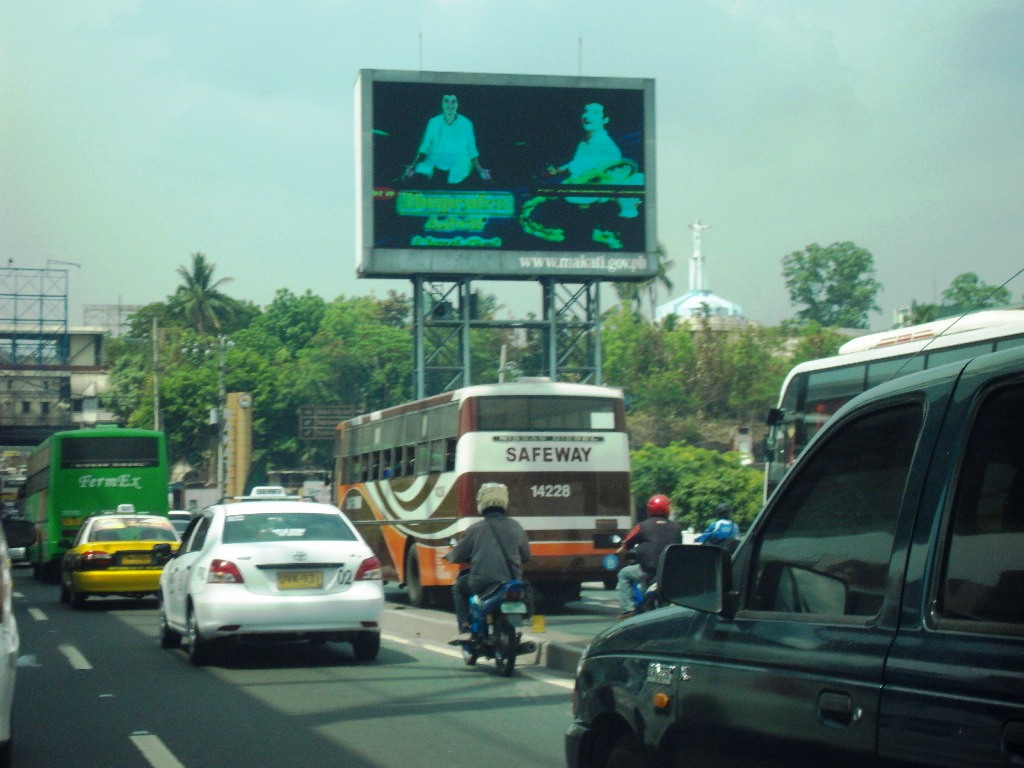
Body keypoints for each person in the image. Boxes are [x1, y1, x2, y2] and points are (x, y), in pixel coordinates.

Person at [445, 482, 531, 643]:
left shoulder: (475, 529)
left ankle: (464, 626)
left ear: (482, 503)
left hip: (482, 582)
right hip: (512, 581)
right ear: (504, 502)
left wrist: (449, 557)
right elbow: (526, 556)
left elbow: (458, 555)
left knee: (458, 587)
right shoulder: (516, 527)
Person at [614, 494, 681, 621]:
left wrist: (619, 552)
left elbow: (627, 543)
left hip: (647, 571)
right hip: (669, 573)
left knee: (624, 574)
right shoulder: (676, 528)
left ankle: (627, 609)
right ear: (668, 509)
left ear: (649, 509)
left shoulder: (643, 526)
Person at [403, 93, 491, 185]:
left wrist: (480, 170)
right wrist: (412, 166)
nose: (450, 105)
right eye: (446, 102)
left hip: (459, 165)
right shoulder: (433, 122)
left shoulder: (466, 124)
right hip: (436, 163)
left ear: (457, 104)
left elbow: (472, 149)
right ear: (442, 104)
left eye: (453, 102)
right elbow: (425, 146)